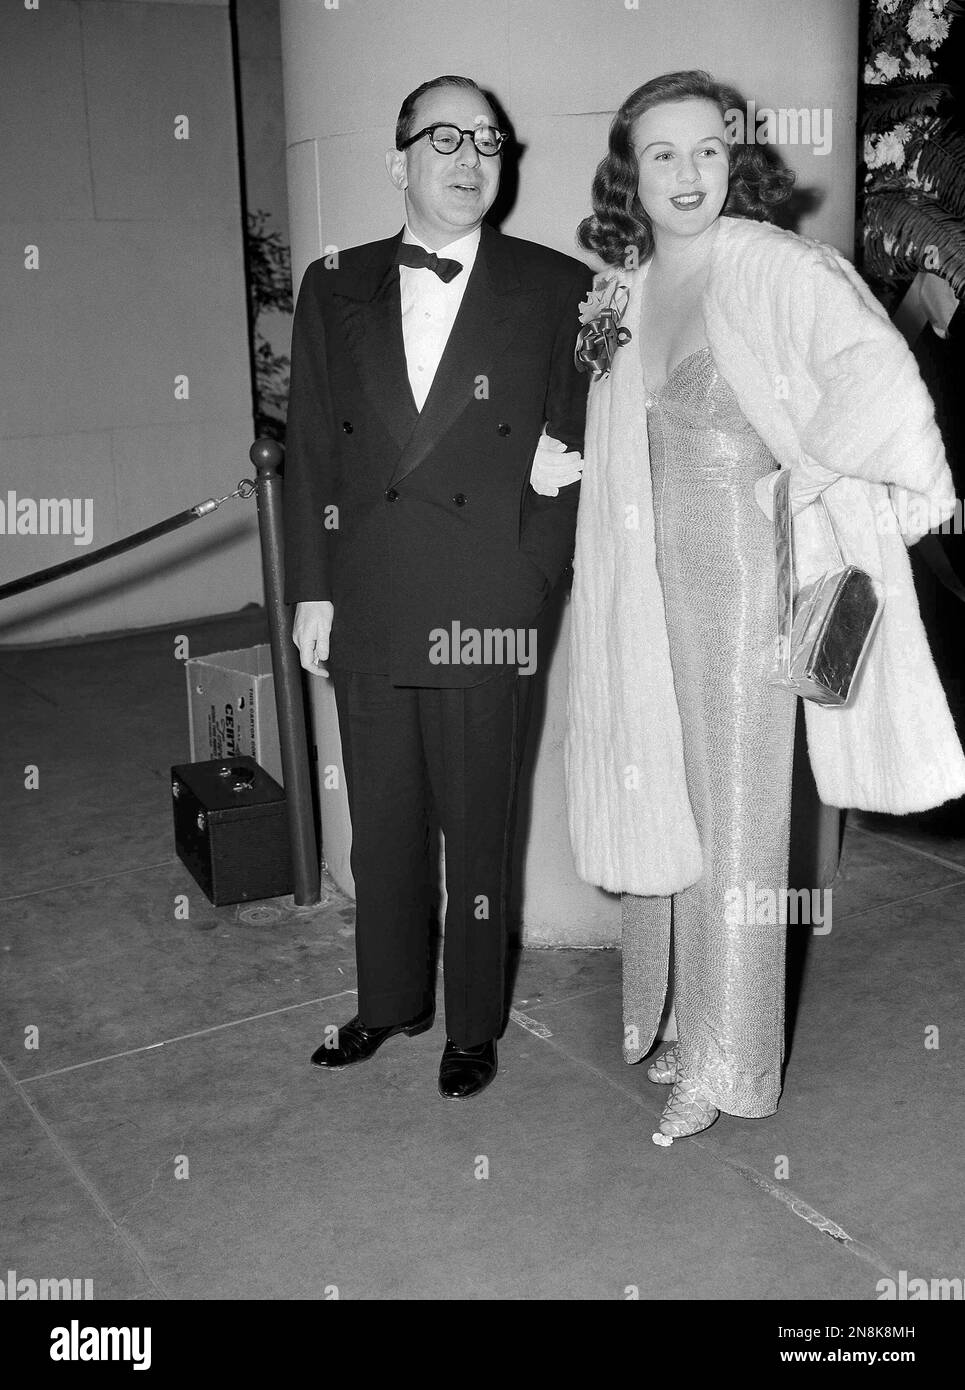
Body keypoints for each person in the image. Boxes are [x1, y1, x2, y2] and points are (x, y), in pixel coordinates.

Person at [565, 70, 965, 1144]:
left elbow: (870, 369)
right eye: (661, 155)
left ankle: (724, 1062)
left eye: (705, 151)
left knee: (739, 825)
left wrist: (830, 483)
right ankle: (670, 1019)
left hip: (743, 588)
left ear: (730, 159)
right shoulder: (626, 284)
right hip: (642, 593)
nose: (686, 175)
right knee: (666, 801)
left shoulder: (772, 265)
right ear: (629, 172)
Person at [283, 75, 591, 1099]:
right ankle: (386, 1001)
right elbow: (316, 451)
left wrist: (529, 579)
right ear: (397, 160)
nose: (469, 158)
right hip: (367, 592)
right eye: (445, 137)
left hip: (483, 604)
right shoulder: (332, 285)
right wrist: (312, 590)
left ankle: (469, 1023)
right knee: (383, 820)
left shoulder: (555, 289)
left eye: (489, 142)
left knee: (477, 824)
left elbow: (569, 451)